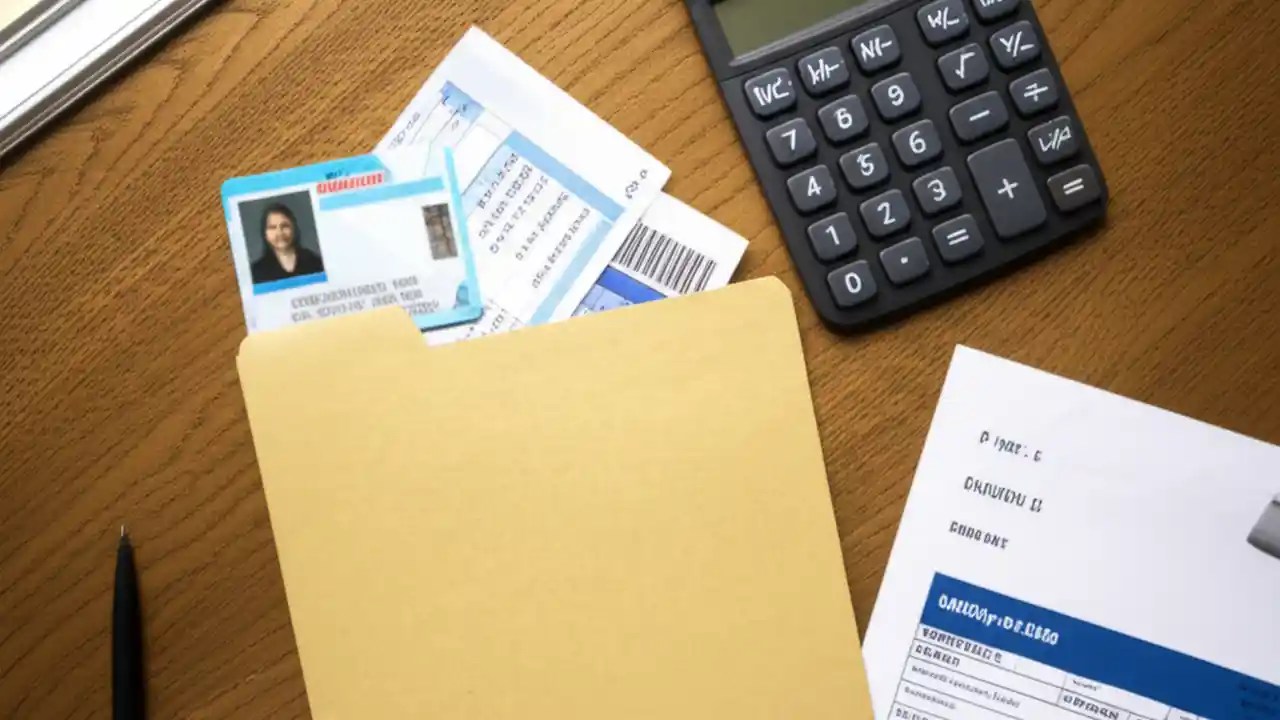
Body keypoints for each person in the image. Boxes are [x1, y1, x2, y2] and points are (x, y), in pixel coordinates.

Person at [250, 203, 325, 284]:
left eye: (285, 226)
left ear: (294, 229)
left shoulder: (314, 262)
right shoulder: (256, 272)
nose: (279, 233)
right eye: (272, 227)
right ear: (265, 233)